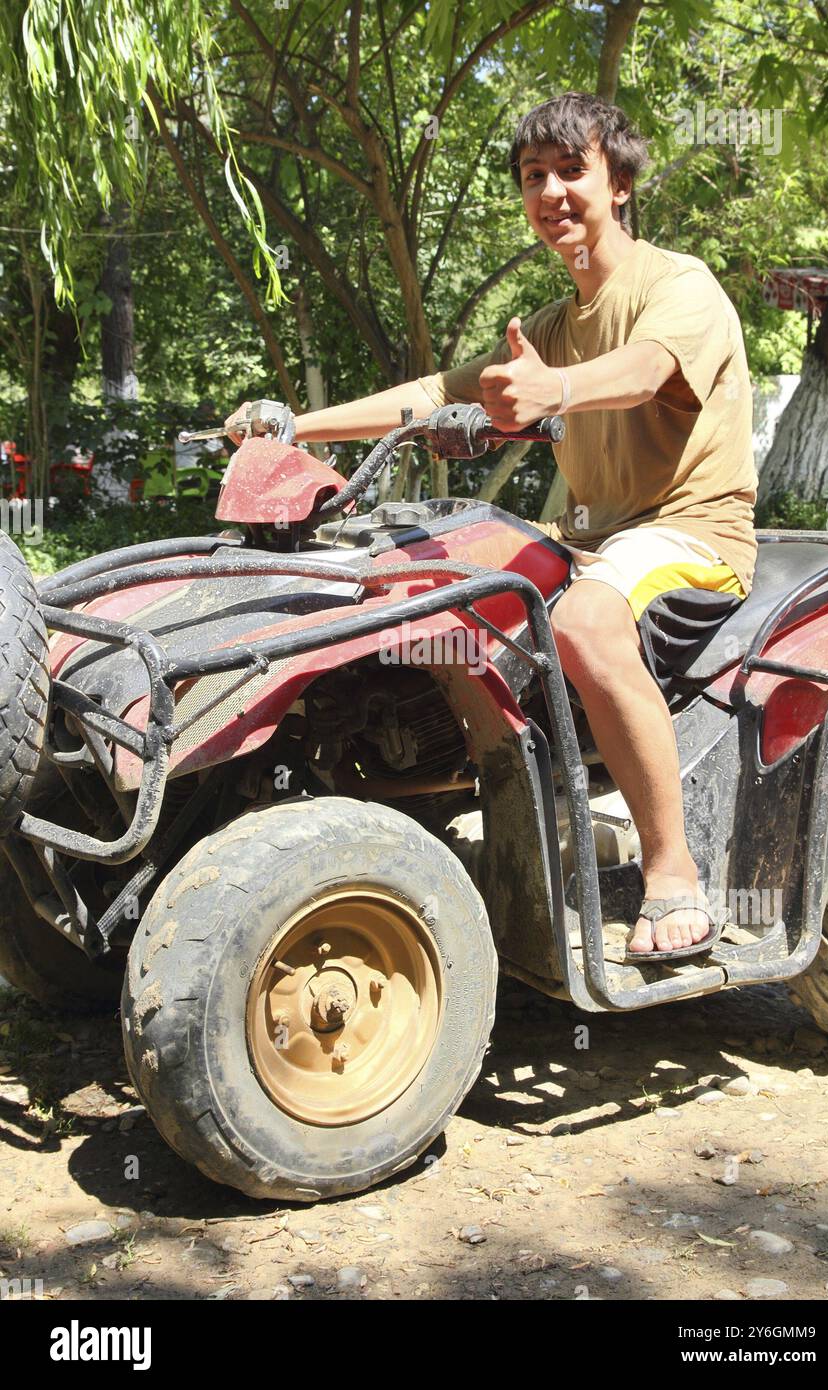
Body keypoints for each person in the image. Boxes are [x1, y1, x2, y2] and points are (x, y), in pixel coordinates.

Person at [225, 91, 758, 961]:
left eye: (569, 171)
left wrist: (560, 391)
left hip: (688, 534)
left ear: (618, 183)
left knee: (584, 618)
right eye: (531, 176)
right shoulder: (548, 326)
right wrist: (291, 424)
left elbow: (647, 367)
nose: (549, 191)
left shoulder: (677, 285)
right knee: (426, 608)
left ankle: (673, 877)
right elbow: (435, 392)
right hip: (589, 541)